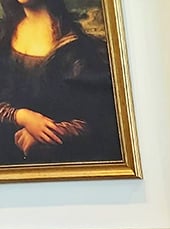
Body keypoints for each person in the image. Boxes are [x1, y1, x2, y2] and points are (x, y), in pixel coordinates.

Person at [0, 0, 120, 165]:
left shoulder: (76, 49)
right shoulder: (4, 35)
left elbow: (98, 120)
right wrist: (21, 116)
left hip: (57, 165)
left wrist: (47, 134)